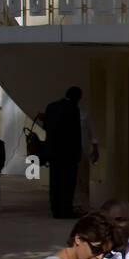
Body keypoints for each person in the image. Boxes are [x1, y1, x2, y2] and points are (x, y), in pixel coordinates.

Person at [41, 87, 83, 219]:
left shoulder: (51, 107)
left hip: (53, 152)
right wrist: (78, 152)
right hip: (68, 153)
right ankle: (66, 210)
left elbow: (46, 127)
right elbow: (76, 133)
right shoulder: (73, 109)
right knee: (68, 183)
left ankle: (55, 209)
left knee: (55, 181)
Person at [73, 99, 100, 215]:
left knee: (82, 178)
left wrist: (95, 149)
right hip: (69, 151)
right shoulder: (66, 114)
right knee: (73, 179)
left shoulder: (84, 113)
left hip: (82, 150)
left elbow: (92, 133)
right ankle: (75, 204)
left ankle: (83, 205)